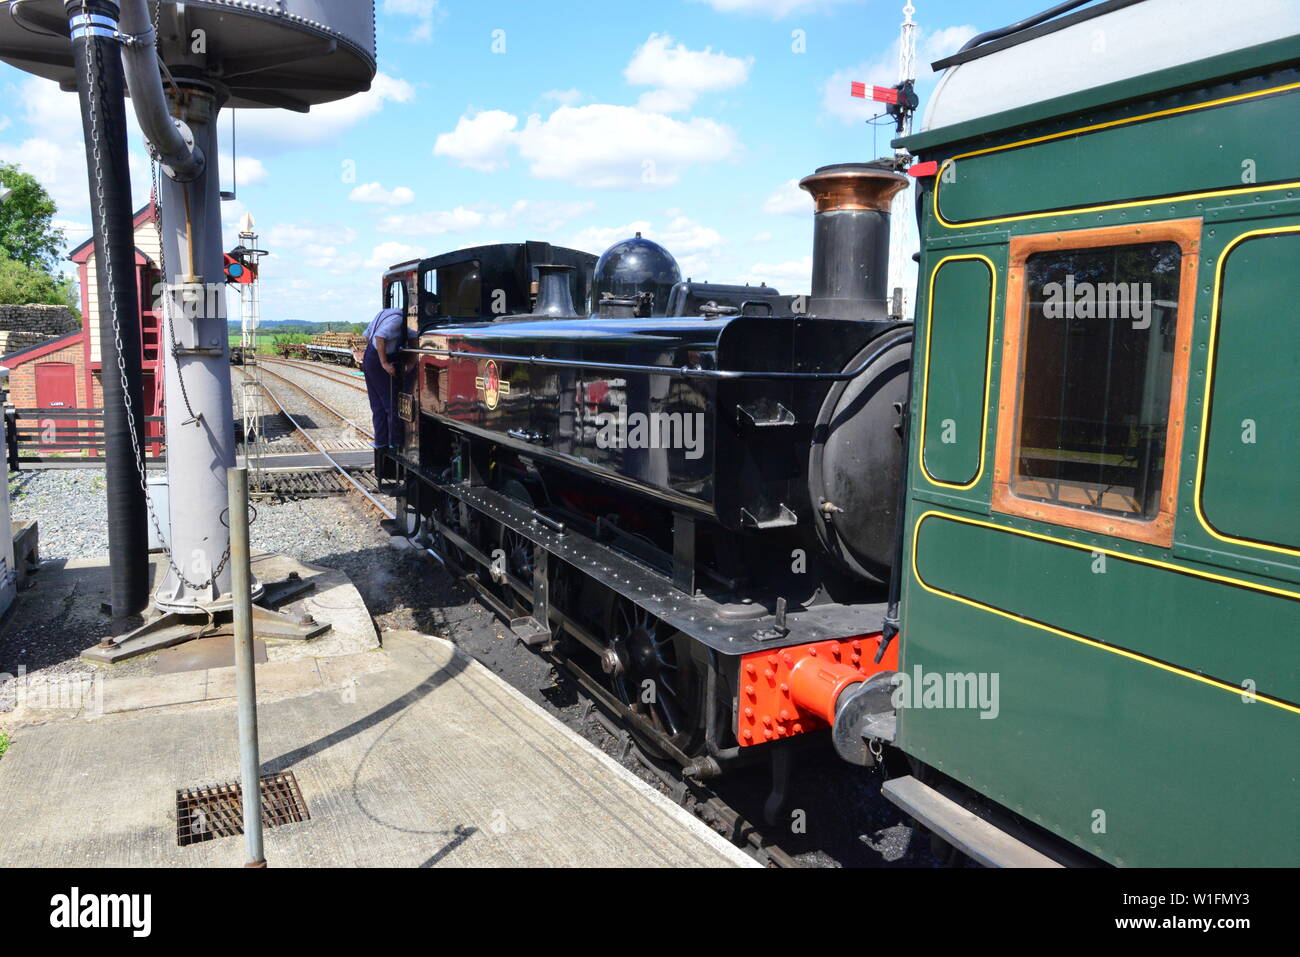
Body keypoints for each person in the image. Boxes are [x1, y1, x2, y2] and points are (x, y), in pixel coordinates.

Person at [358, 305, 405, 448]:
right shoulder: (398, 319)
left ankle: (381, 441)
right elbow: (380, 337)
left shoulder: (383, 313)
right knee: (390, 404)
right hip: (378, 361)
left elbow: (367, 335)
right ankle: (394, 443)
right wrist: (384, 363)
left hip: (369, 358)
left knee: (377, 405)